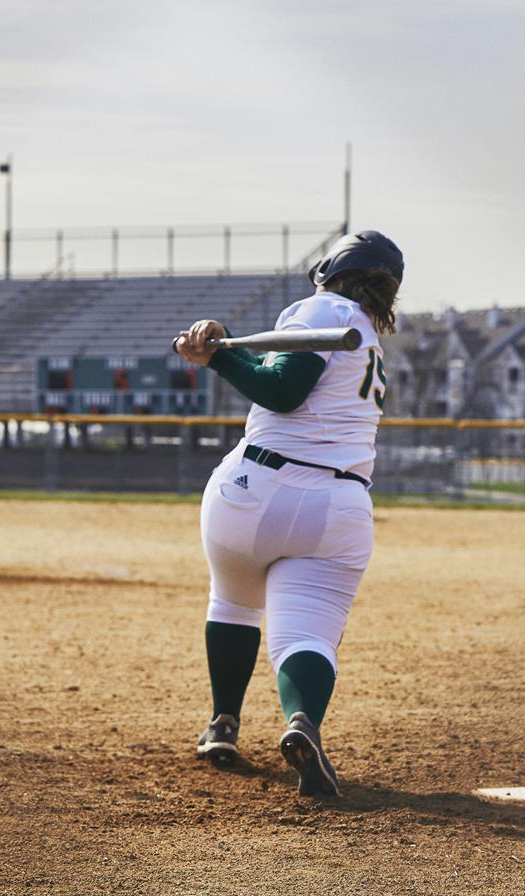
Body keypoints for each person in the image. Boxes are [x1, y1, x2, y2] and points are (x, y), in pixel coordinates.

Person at [172, 231, 403, 797]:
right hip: (338, 505)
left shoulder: (321, 309)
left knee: (233, 602)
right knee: (307, 635)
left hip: (255, 487)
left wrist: (222, 356)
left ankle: (223, 722)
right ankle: (303, 722)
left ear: (331, 270)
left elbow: (281, 391)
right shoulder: (368, 337)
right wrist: (227, 349)